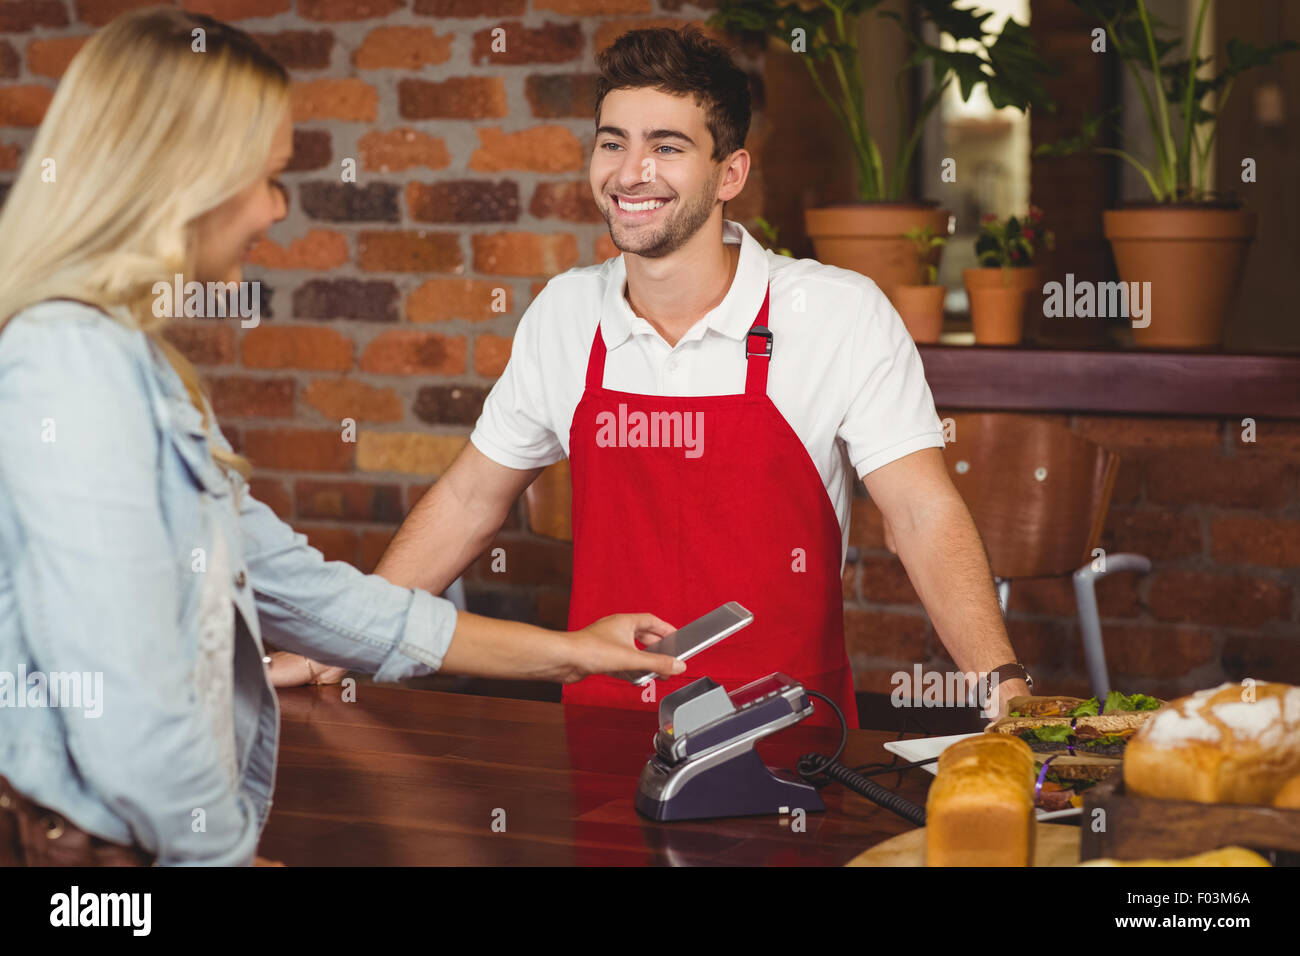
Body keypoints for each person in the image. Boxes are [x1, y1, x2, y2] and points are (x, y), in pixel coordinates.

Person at [0, 8, 683, 867]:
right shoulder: (66, 365)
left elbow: (313, 597)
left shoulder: (142, 369)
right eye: (268, 176)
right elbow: (124, 699)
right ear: (186, 179)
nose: (275, 209)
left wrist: (577, 653)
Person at [281, 26, 1033, 726]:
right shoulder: (567, 314)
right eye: (614, 142)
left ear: (730, 172)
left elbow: (921, 516)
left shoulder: (834, 314)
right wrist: (345, 637)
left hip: (786, 739)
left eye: (667, 146)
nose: (631, 172)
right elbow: (470, 499)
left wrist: (1001, 686)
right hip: (604, 736)